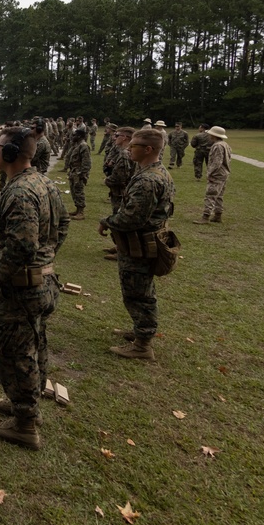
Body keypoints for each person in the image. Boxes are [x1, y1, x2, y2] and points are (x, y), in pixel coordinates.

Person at [0, 127, 69, 450]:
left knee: (14, 352)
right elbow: (64, 226)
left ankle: (25, 423)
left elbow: (22, 247)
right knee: (35, 344)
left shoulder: (19, 193)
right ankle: (26, 405)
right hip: (42, 284)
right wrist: (47, 262)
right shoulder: (43, 182)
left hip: (21, 289)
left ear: (10, 153)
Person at [98, 129, 175, 361]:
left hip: (140, 245)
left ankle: (142, 344)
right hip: (144, 241)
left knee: (137, 293)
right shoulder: (158, 173)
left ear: (148, 149)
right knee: (141, 290)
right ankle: (140, 330)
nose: (129, 148)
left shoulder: (148, 179)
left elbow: (132, 218)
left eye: (134, 146)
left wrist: (106, 221)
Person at [102, 127, 136, 260]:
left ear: (125, 138)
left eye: (117, 135)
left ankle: (123, 250)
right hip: (121, 191)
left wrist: (107, 180)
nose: (114, 137)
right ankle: (119, 246)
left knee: (120, 221)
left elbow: (120, 178)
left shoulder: (124, 154)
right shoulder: (125, 152)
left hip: (121, 193)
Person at [193, 126, 231, 224]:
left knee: (210, 195)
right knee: (219, 195)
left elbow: (217, 162)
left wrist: (209, 173)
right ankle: (218, 215)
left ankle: (205, 217)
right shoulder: (225, 144)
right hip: (224, 173)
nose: (208, 135)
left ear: (214, 135)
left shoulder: (217, 146)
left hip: (217, 174)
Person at [66, 128, 91, 220]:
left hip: (79, 172)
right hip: (74, 171)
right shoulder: (76, 145)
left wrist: (82, 174)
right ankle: (77, 209)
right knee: (74, 191)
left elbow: (86, 162)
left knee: (79, 191)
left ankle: (81, 212)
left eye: (74, 135)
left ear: (79, 136)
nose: (72, 137)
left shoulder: (83, 146)